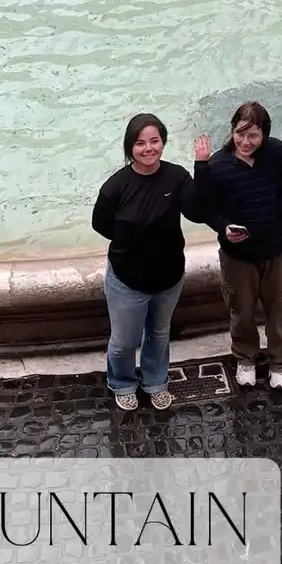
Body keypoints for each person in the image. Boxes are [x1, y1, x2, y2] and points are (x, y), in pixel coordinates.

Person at [193, 101, 282, 392]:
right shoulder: (218, 164)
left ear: (264, 135)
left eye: (253, 136)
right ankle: (245, 358)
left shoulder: (275, 152)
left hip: (279, 250)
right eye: (240, 133)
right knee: (241, 309)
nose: (245, 142)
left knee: (280, 309)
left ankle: (279, 363)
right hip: (238, 256)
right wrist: (222, 227)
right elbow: (201, 209)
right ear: (232, 130)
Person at [92, 113, 206, 411]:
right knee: (124, 341)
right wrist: (133, 244)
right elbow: (100, 224)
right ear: (130, 147)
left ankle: (155, 381)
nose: (148, 148)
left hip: (169, 276)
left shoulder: (176, 176)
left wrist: (202, 167)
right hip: (127, 279)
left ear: (163, 143)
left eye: (154, 141)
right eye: (140, 143)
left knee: (159, 333)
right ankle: (122, 382)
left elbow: (197, 211)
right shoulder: (115, 186)